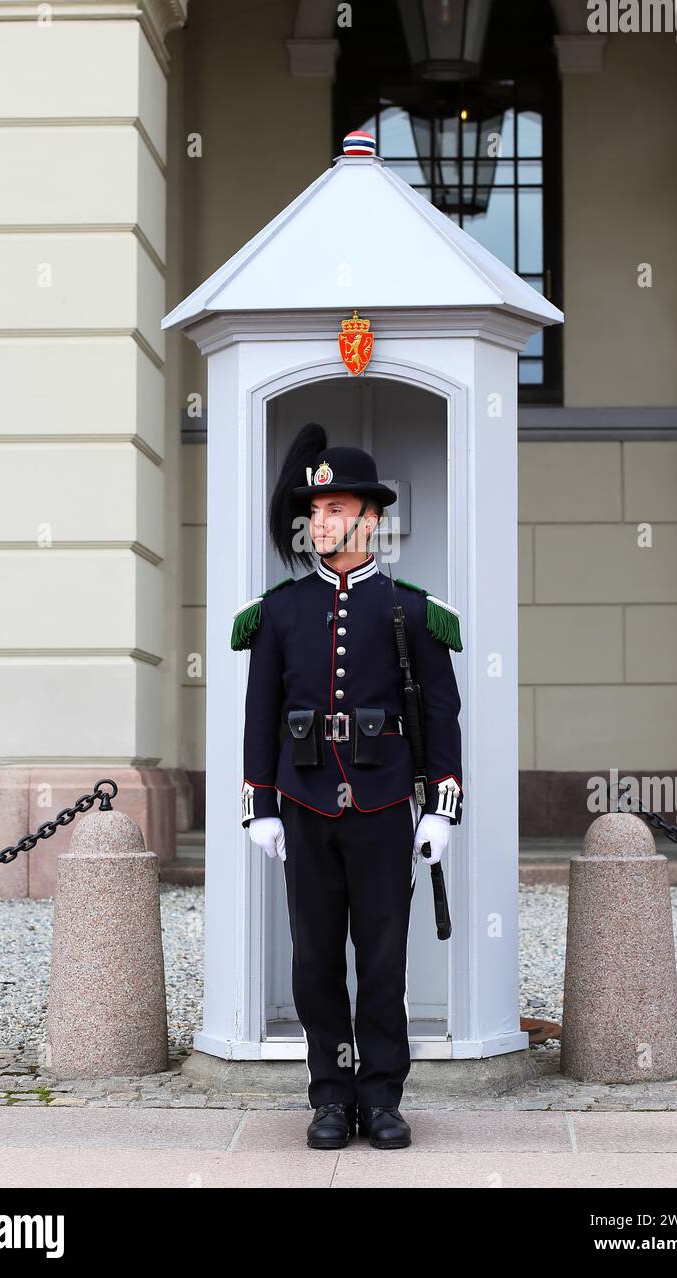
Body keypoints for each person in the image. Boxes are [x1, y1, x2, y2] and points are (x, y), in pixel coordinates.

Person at [231, 422, 464, 1150]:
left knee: (384, 957)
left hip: (385, 803)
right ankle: (331, 1093)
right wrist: (258, 806)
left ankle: (382, 1096)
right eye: (315, 511)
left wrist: (443, 808)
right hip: (301, 805)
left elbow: (439, 713)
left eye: (335, 510)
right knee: (315, 960)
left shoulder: (412, 611)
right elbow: (260, 715)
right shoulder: (279, 612)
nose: (320, 522)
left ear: (370, 519)